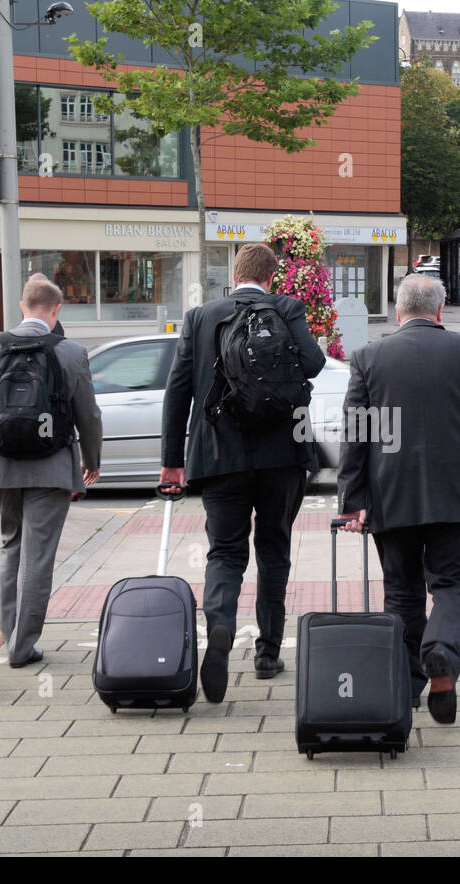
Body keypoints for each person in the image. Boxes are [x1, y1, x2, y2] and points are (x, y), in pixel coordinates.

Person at [338, 274, 460, 724]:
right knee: (453, 586)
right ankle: (442, 652)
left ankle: (407, 687)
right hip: (459, 493)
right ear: (440, 311)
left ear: (398, 312)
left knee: (401, 593)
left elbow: (355, 437)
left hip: (391, 494)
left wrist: (351, 500)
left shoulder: (368, 358)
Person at [159, 242, 326, 702]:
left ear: (234, 273)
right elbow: (315, 363)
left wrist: (172, 460)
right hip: (283, 454)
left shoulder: (200, 316)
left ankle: (219, 627)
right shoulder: (287, 307)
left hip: (219, 455)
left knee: (225, 553)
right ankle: (268, 653)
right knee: (274, 549)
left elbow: (177, 391)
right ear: (271, 276)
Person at [0, 275, 102, 668]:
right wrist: (92, 460)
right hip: (52, 467)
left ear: (21, 307)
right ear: (56, 310)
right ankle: (23, 646)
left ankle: (11, 639)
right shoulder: (71, 351)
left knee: (11, 548)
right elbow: (88, 414)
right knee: (38, 557)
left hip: (2, 467)